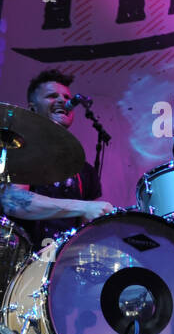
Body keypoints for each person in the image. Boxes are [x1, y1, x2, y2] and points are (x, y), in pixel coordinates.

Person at [0, 69, 113, 247]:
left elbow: (89, 225)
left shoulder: (85, 170)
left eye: (67, 98)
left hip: (63, 265)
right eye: (52, 96)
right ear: (32, 108)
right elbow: (12, 201)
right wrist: (83, 207)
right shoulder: (18, 149)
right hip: (20, 262)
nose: (62, 101)